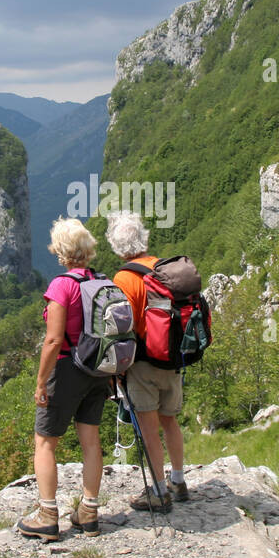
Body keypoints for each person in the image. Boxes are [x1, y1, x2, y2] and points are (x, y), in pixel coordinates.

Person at [16, 217, 110, 542]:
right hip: (98, 371)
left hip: (67, 369)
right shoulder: (102, 281)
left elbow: (53, 341)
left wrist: (41, 381)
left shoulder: (62, 286)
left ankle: (47, 515)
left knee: (44, 442)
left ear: (60, 250)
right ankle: (89, 512)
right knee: (91, 442)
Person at [108, 211, 188, 512]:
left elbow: (121, 327)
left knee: (148, 427)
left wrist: (115, 370)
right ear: (144, 237)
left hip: (142, 365)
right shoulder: (163, 268)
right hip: (172, 358)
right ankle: (178, 481)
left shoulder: (124, 278)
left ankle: (157, 490)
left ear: (117, 247)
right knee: (170, 421)